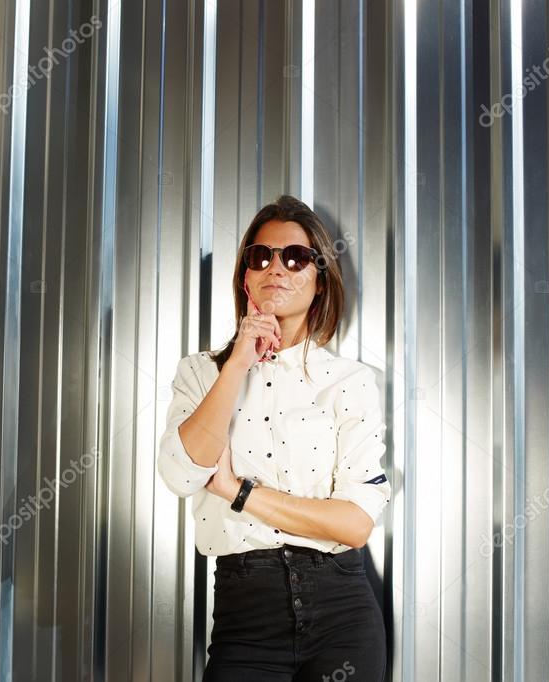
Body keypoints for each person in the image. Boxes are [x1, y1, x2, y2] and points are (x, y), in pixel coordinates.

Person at [157, 195, 391, 681]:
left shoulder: (349, 382)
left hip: (343, 613)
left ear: (319, 278)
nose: (276, 269)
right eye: (260, 256)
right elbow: (181, 473)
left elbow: (353, 525)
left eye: (296, 257)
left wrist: (237, 492)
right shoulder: (201, 373)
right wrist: (238, 361)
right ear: (246, 277)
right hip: (247, 615)